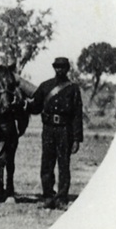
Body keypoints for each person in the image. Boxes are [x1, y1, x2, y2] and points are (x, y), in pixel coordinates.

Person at [26, 57, 83, 209]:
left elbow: (77, 114)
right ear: (54, 68)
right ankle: (48, 197)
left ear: (67, 69)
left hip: (65, 130)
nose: (60, 69)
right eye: (57, 67)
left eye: (62, 67)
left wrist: (77, 139)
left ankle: (61, 198)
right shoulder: (45, 86)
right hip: (48, 129)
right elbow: (36, 107)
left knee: (64, 164)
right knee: (47, 163)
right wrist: (24, 105)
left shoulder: (73, 88)